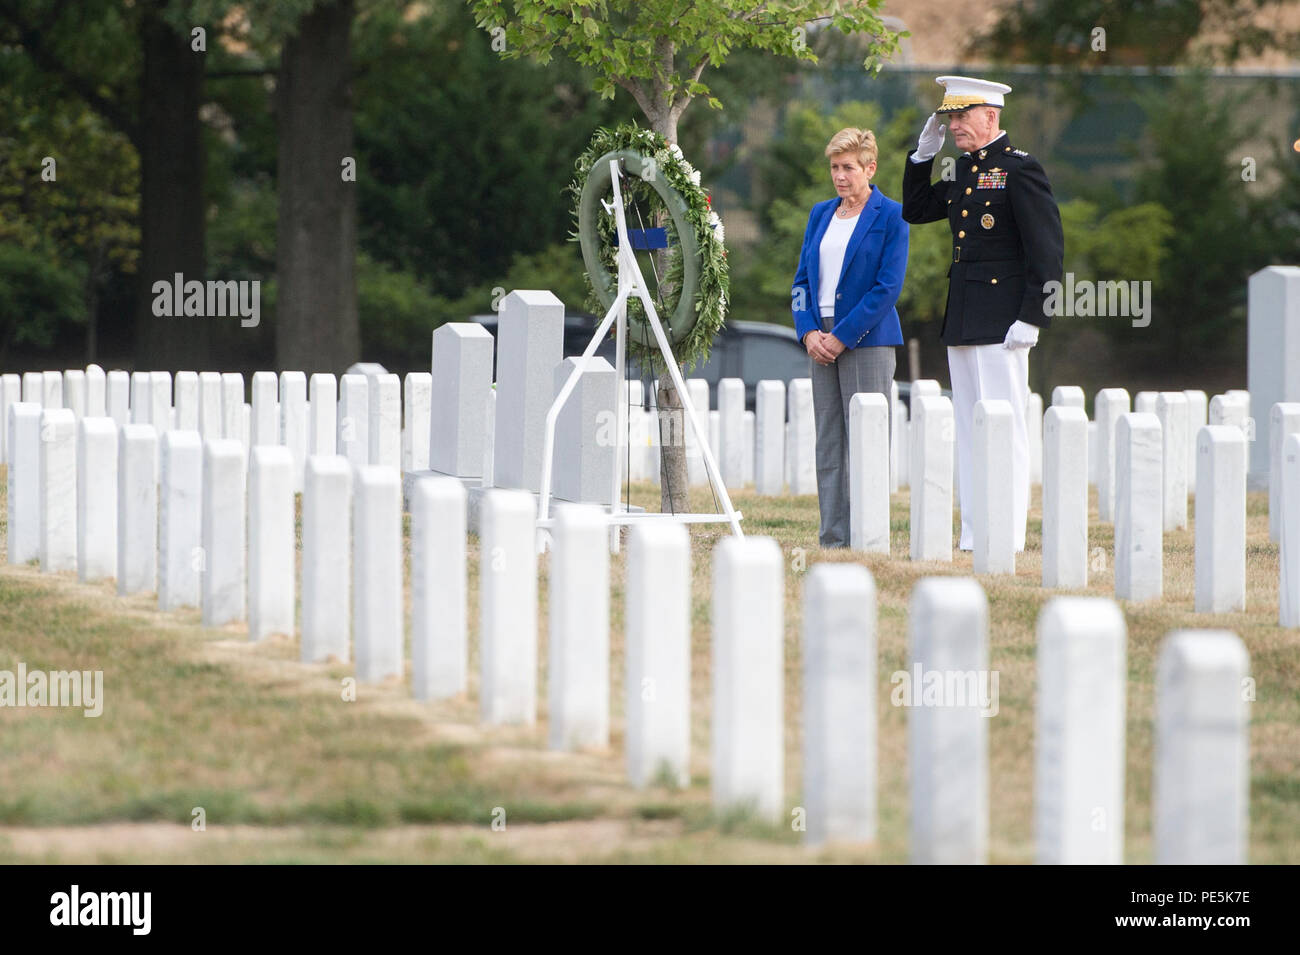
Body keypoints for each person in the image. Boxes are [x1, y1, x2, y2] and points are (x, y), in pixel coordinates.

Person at [901, 76, 1064, 552]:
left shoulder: (1020, 169)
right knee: (972, 431)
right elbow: (914, 209)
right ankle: (975, 532)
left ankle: (1008, 533)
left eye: (960, 117)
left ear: (990, 116)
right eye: (949, 118)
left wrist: (1035, 315)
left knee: (1005, 426)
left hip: (1005, 323)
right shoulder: (961, 170)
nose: (953, 126)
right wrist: (922, 156)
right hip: (966, 318)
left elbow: (1047, 250)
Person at [791, 127, 909, 548]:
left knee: (866, 441)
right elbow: (802, 280)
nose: (840, 176)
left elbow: (887, 288)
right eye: (834, 168)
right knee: (829, 441)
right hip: (818, 341)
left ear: (870, 168)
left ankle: (869, 536)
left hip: (868, 339)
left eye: (848, 168)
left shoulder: (891, 215)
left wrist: (840, 336)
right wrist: (808, 333)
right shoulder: (820, 213)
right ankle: (833, 538)